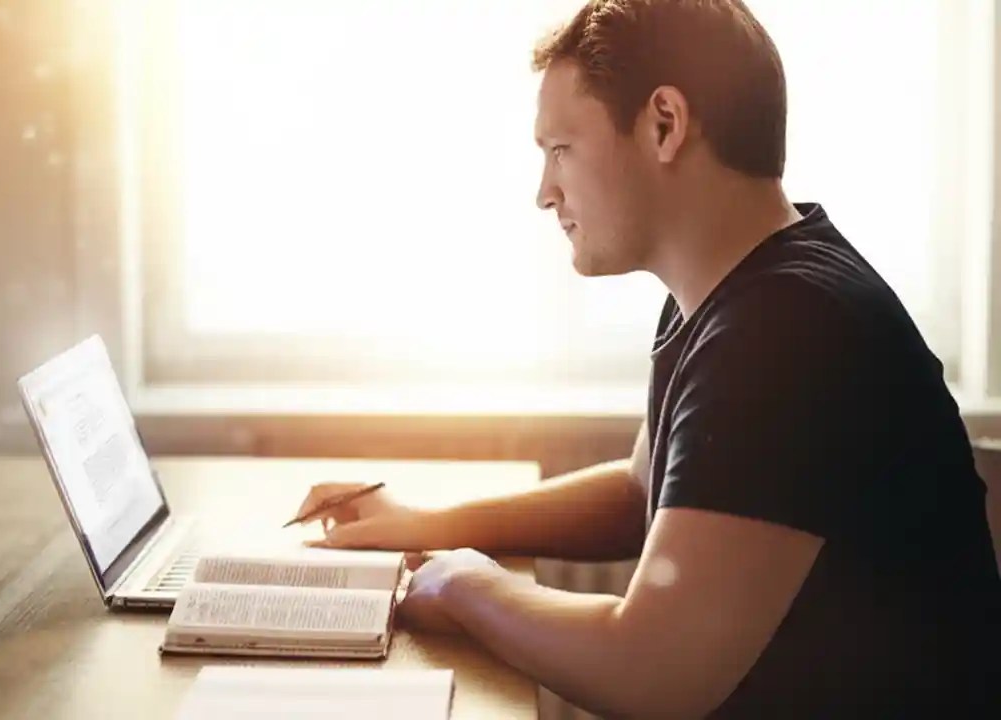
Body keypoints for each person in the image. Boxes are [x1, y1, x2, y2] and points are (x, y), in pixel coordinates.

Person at [292, 1, 1001, 716]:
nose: (545, 192)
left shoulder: (785, 330)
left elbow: (653, 674)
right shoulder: (737, 290)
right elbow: (644, 493)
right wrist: (428, 525)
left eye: (560, 148)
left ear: (665, 124)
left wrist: (468, 586)